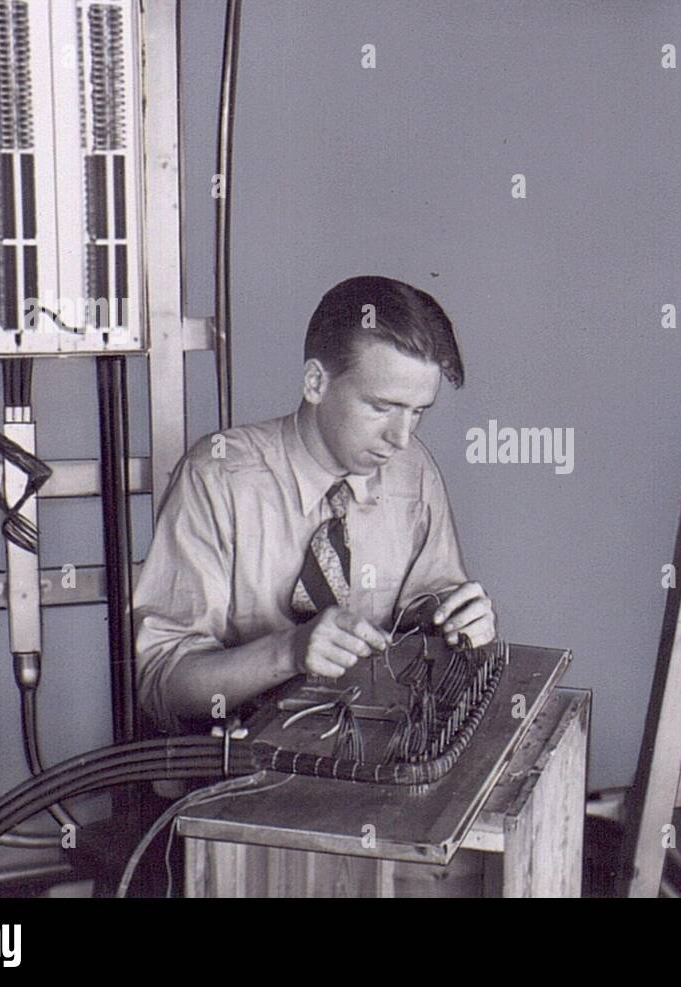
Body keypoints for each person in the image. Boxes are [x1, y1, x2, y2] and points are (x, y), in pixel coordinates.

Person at [133, 275, 497, 734]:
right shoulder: (217, 477)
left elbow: (430, 618)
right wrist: (289, 651)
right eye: (382, 408)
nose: (402, 438)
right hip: (236, 767)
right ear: (315, 382)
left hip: (370, 755)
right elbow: (163, 684)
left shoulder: (413, 471)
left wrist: (455, 623)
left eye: (418, 411)